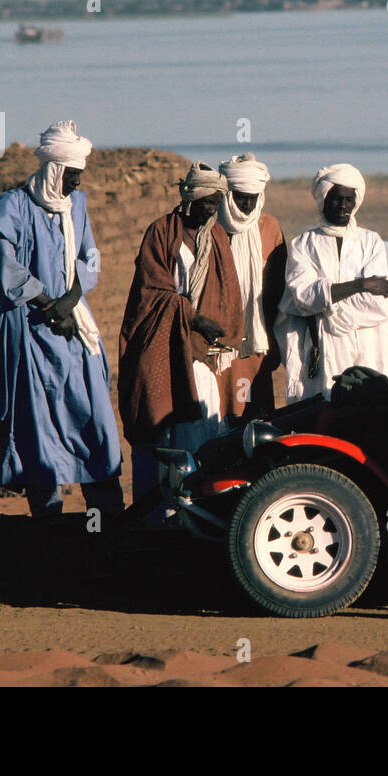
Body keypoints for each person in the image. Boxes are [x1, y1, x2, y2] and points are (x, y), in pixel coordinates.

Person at [0, 121, 123, 520]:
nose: (74, 183)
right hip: (32, 337)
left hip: (72, 328)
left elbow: (90, 259)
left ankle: (104, 512)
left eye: (78, 176)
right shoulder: (13, 207)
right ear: (54, 169)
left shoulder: (78, 206)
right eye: (70, 176)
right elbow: (6, 269)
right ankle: (47, 514)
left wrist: (68, 302)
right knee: (37, 421)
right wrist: (49, 304)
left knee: (93, 414)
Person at [118, 162, 244, 524]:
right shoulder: (162, 232)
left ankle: (200, 510)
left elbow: (228, 292)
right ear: (190, 198)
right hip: (162, 340)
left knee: (201, 423)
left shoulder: (217, 236)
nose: (210, 209)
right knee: (161, 419)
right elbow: (151, 290)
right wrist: (192, 315)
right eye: (206, 201)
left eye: (216, 202)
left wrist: (212, 327)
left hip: (201, 351)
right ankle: (157, 515)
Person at [275, 164, 388, 401]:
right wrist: (360, 285)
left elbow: (378, 305)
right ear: (323, 199)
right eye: (336, 199)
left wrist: (326, 306)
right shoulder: (303, 244)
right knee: (324, 408)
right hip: (321, 345)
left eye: (348, 199)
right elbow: (303, 296)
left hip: (370, 344)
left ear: (356, 202)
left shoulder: (371, 241)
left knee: (371, 410)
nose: (343, 206)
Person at [217, 154, 287, 418]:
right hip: (220, 340)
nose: (246, 204)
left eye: (252, 197)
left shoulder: (269, 227)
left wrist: (276, 339)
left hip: (258, 338)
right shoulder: (214, 226)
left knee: (256, 415)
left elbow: (278, 291)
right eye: (239, 196)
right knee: (222, 412)